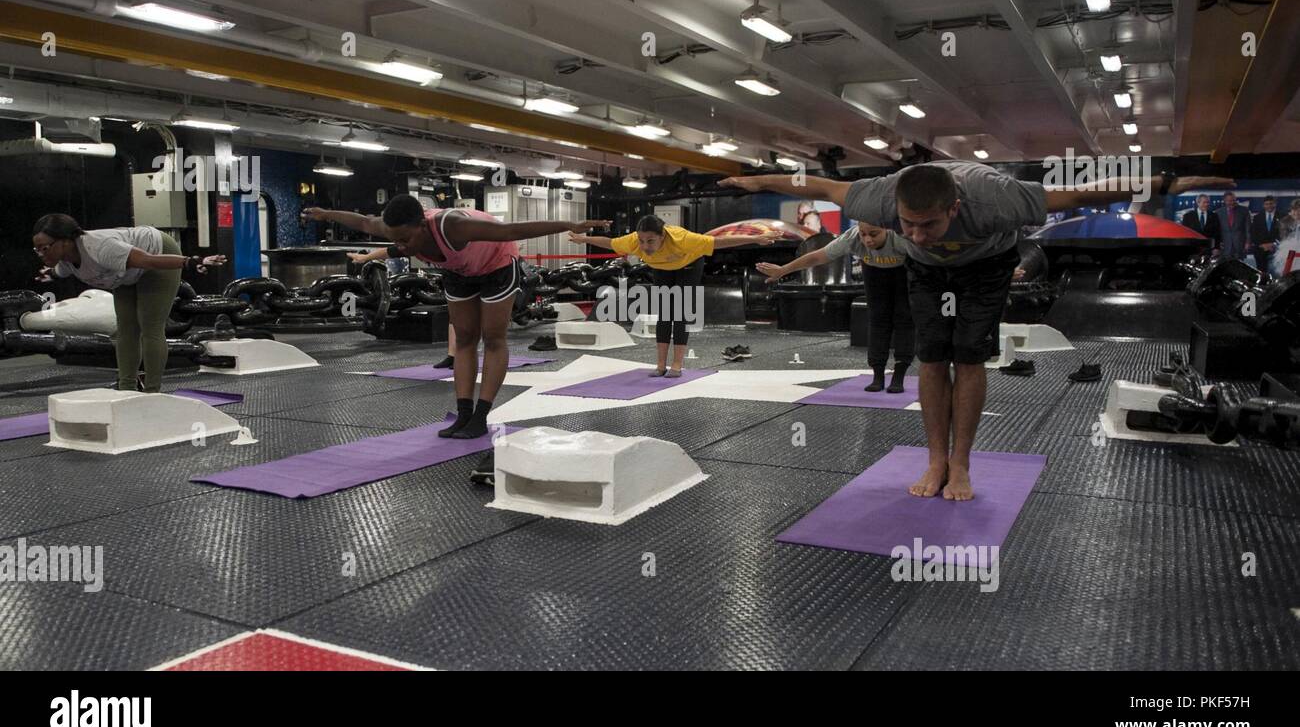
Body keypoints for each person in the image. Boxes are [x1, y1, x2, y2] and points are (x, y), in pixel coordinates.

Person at [722, 163, 1233, 501]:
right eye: (908, 224)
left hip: (988, 266)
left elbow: (1082, 191)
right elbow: (812, 185)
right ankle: (935, 459)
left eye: (928, 224)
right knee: (931, 355)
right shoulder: (879, 199)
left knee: (968, 356)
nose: (915, 233)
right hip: (925, 272)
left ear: (955, 209)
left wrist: (1168, 184)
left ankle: (961, 463)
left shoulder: (999, 200)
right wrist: (756, 180)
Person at [305, 195, 609, 438]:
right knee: (464, 338)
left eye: (406, 240)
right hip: (459, 272)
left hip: (497, 265)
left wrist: (571, 223)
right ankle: (463, 413)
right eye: (396, 240)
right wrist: (326, 214)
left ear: (422, 226)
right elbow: (362, 220)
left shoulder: (453, 227)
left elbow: (510, 231)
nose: (402, 247)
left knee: (493, 338)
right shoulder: (394, 230)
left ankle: (481, 415)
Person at [31, 213, 226, 393]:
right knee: (126, 328)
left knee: (150, 326)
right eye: (37, 249)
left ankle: (152, 392)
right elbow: (59, 272)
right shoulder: (66, 261)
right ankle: (127, 389)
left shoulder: (99, 248)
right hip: (124, 273)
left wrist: (191, 262)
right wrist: (49, 275)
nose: (41, 254)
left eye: (45, 248)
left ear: (65, 241)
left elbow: (148, 261)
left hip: (157, 252)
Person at [570, 216, 773, 376]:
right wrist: (584, 239)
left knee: (680, 312)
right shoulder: (633, 241)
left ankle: (676, 365)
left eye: (651, 241)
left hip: (689, 264)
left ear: (663, 236)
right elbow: (609, 242)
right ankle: (660, 365)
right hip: (662, 267)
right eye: (642, 241)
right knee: (664, 313)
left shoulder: (683, 240)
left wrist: (755, 238)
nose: (645, 246)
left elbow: (719, 242)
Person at [756, 222, 914, 393]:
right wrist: (783, 270)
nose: (868, 239)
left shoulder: (901, 238)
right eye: (864, 234)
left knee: (904, 318)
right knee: (877, 318)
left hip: (904, 270)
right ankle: (878, 375)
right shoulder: (852, 237)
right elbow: (818, 257)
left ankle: (899, 375)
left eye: (874, 234)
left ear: (887, 229)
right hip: (873, 270)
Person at [349, 246, 456, 368]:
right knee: (455, 316)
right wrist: (365, 257)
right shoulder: (421, 242)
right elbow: (392, 251)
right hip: (454, 275)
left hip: (473, 273)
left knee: (470, 320)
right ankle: (452, 356)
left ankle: (464, 356)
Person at [1249, 195, 1283, 274]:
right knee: (1261, 273)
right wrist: (1262, 245)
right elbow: (1253, 233)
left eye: (1271, 203)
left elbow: (1284, 234)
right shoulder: (1257, 217)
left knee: (1276, 273)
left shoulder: (1283, 216)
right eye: (1266, 204)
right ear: (1263, 205)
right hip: (1260, 250)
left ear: (1275, 204)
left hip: (1277, 250)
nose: (1269, 206)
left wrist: (1274, 244)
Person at [1215, 191, 1250, 261]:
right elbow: (1217, 230)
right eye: (1229, 201)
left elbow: (1248, 228)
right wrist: (1217, 243)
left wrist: (1248, 242)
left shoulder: (1244, 210)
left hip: (1240, 244)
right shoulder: (1218, 212)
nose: (1232, 202)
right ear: (1224, 201)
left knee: (1239, 267)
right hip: (1225, 244)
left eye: (1234, 200)